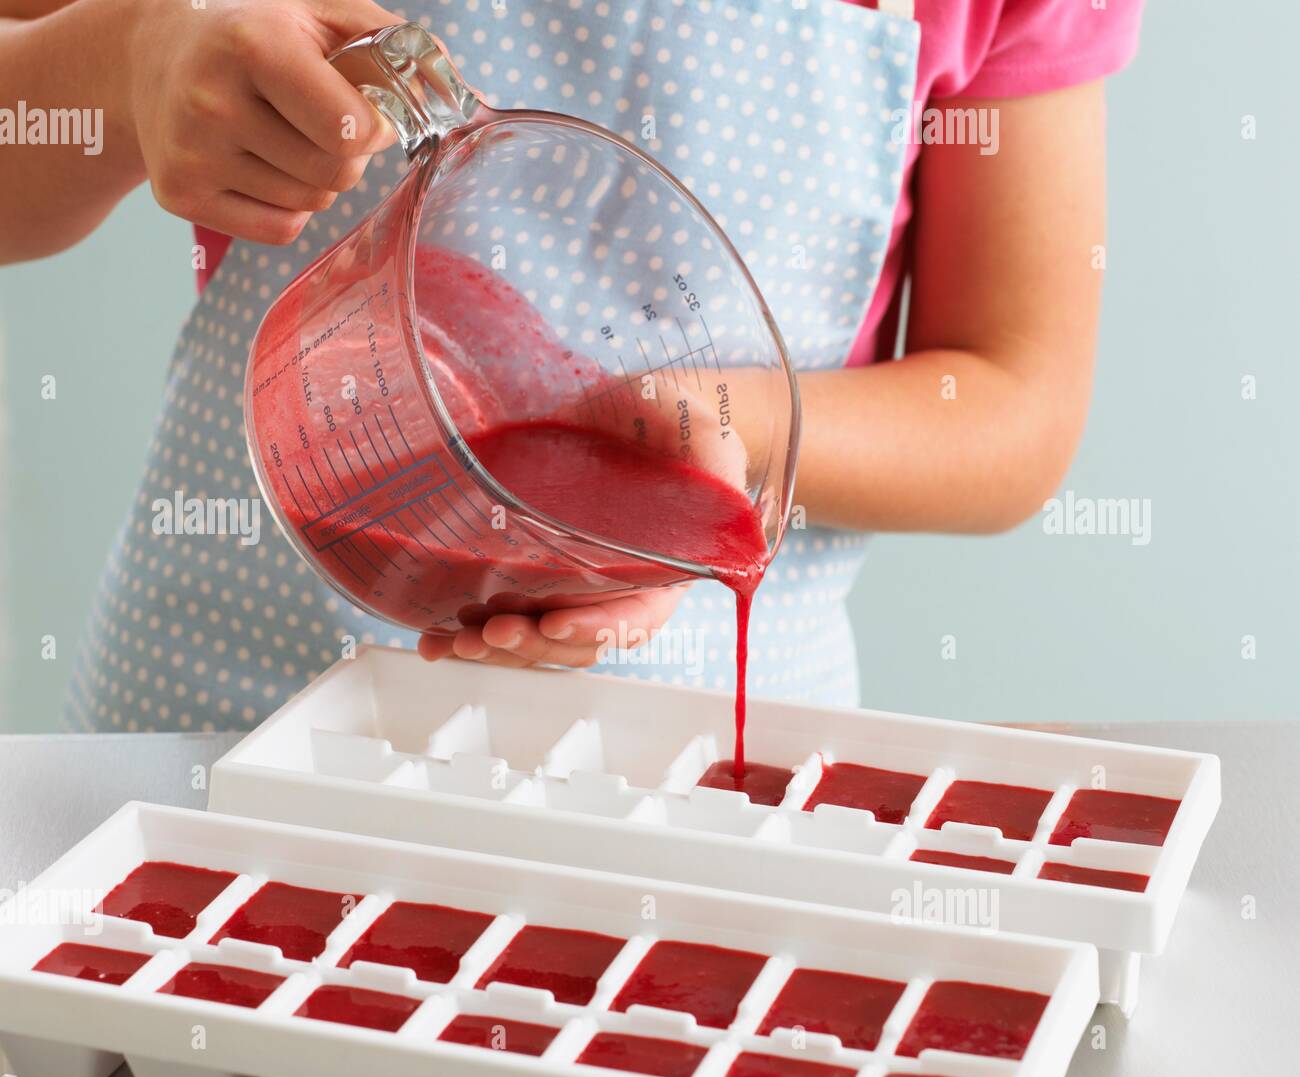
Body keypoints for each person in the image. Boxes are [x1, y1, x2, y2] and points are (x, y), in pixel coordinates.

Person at [0, 0, 1143, 732]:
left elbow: (1011, 398)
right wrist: (130, 59)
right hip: (222, 724)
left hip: (692, 773)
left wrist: (718, 437)